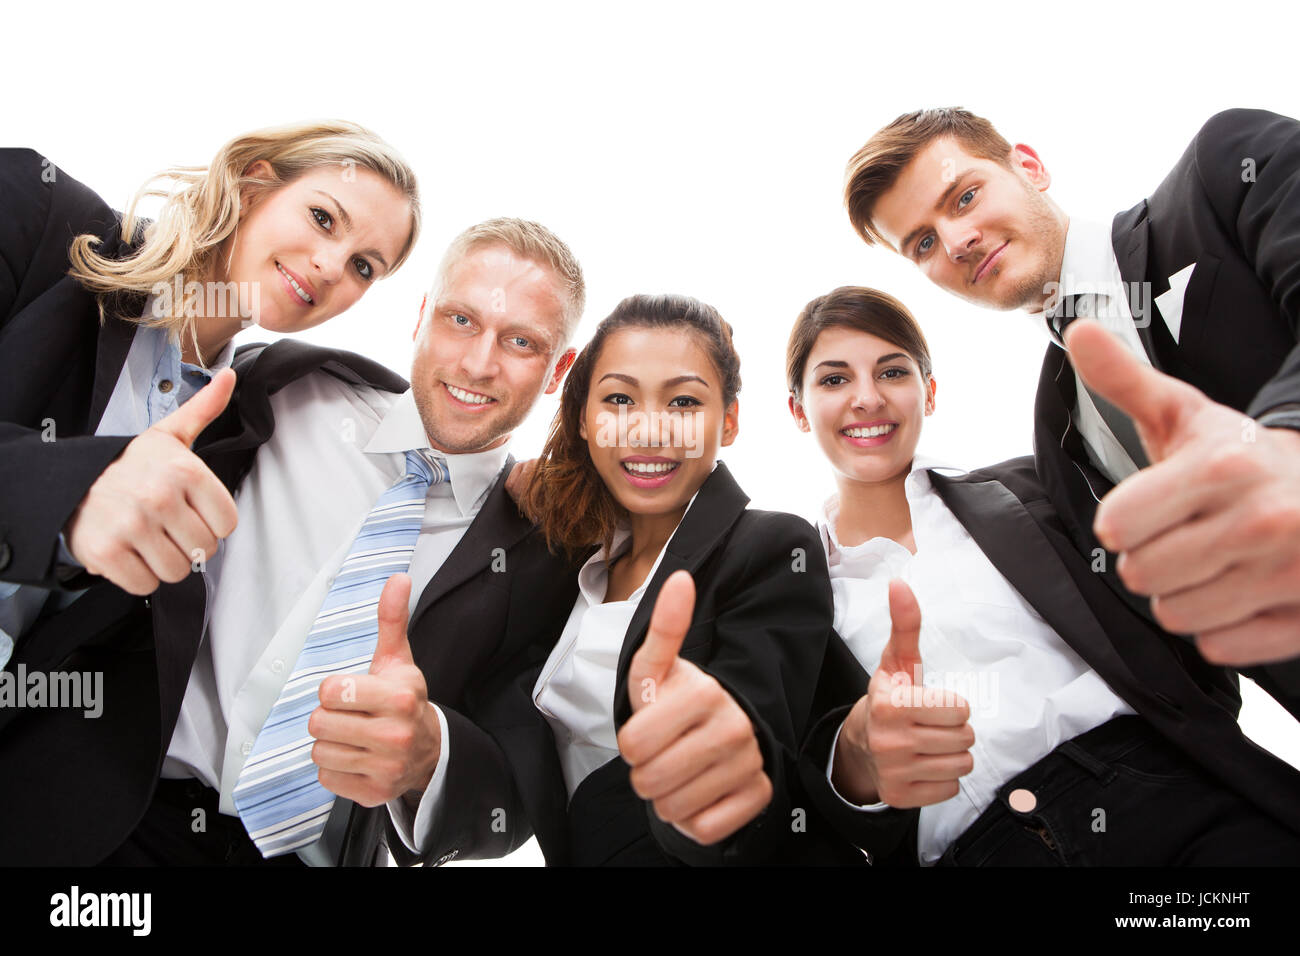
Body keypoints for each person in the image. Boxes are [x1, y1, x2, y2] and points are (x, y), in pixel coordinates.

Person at [0, 124, 422, 863]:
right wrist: (70, 493)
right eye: (323, 218)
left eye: (363, 265)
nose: (330, 267)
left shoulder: (238, 430)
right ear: (254, 183)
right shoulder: (37, 215)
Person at [787, 286, 1300, 865]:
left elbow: (1177, 622)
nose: (866, 398)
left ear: (928, 393)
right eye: (833, 380)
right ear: (799, 410)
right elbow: (812, 793)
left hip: (1160, 797)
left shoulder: (1033, 488)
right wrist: (857, 759)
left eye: (892, 371)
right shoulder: (795, 596)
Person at [379, 293, 854, 866]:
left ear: (728, 421)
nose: (649, 431)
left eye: (682, 402)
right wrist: (420, 763)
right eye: (620, 399)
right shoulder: (559, 567)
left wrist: (708, 775)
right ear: (583, 418)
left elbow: (755, 750)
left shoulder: (772, 548)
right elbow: (514, 788)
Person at [841, 108, 1300, 698]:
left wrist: (1286, 439)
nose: (956, 242)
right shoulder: (1059, 444)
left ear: (1029, 167)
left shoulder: (1220, 173)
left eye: (964, 197)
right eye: (924, 243)